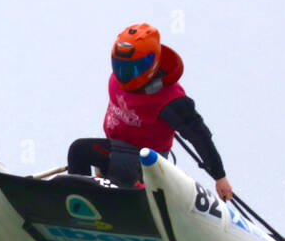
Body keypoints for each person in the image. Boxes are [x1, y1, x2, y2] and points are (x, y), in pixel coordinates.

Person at [67, 24, 233, 200]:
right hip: (116, 153)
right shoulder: (118, 79)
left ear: (151, 65)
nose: (124, 74)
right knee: (82, 155)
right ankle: (86, 199)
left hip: (145, 165)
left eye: (132, 69)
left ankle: (82, 203)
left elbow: (200, 136)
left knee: (79, 150)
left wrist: (219, 177)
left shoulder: (171, 100)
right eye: (119, 66)